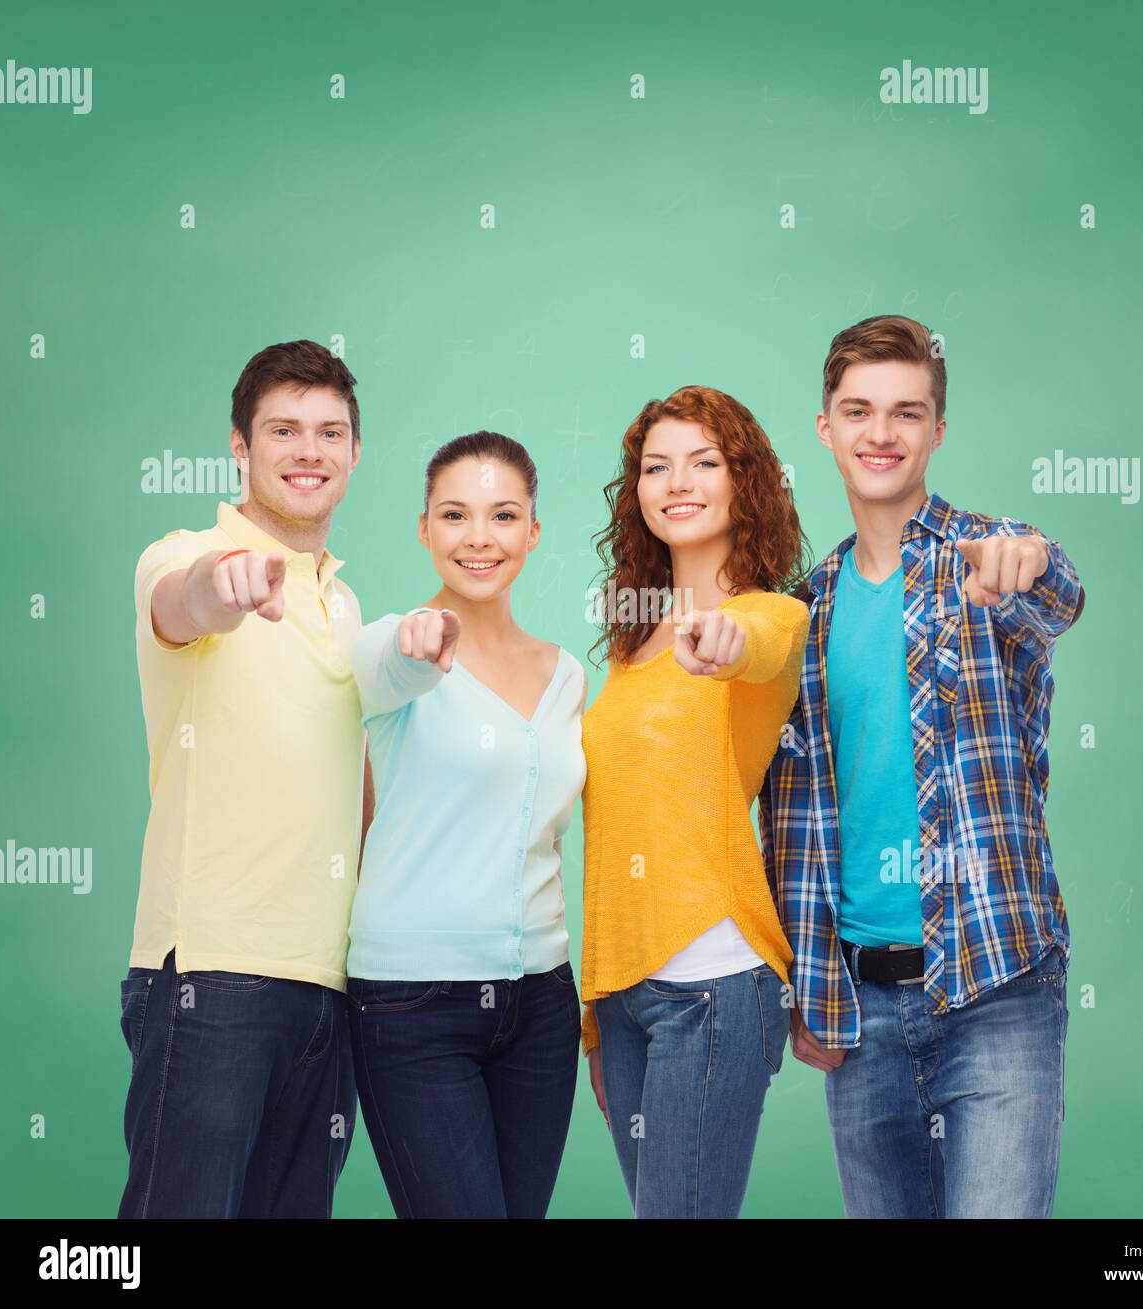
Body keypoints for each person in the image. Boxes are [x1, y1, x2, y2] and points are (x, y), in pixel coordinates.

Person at [760, 314, 1085, 1218]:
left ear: (937, 430)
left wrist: (1029, 563)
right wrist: (807, 985)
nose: (881, 433)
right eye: (859, 411)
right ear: (824, 428)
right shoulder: (804, 613)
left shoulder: (987, 556)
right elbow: (795, 821)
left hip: (997, 983)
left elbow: (1057, 594)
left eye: (907, 413)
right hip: (859, 1006)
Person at [119, 340, 370, 1218]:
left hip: (327, 988)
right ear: (239, 445)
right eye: (283, 430)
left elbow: (350, 784)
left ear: (353, 452)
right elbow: (183, 603)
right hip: (211, 977)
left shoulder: (346, 605)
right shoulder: (185, 551)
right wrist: (221, 587)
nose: (309, 450)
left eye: (329, 432)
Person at [580, 385, 811, 1218]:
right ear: (636, 490)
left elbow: (757, 647)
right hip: (626, 992)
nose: (677, 481)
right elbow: (613, 828)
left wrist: (723, 637)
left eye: (705, 462)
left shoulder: (771, 616)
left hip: (715, 985)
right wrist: (598, 1010)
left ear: (744, 480)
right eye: (656, 465)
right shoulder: (629, 642)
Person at [347, 431, 586, 1219]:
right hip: (412, 1005)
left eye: (502, 515)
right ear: (424, 529)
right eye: (455, 515)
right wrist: (417, 636)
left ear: (533, 532)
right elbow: (387, 657)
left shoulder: (568, 676)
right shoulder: (393, 653)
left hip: (543, 1007)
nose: (479, 537)